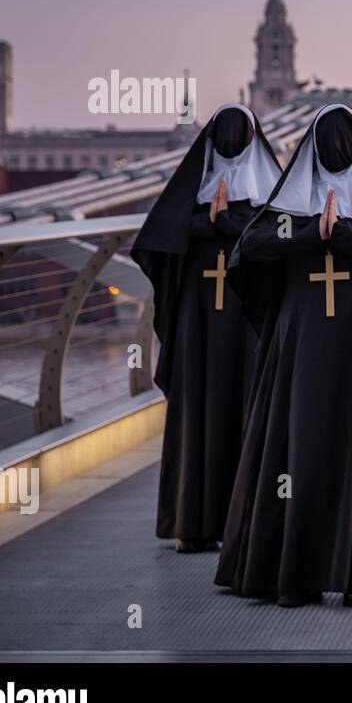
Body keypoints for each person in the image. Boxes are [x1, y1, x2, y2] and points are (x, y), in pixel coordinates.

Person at [214, 104, 352, 607]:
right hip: (315, 341)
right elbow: (252, 243)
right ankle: (307, 572)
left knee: (325, 447)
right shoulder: (298, 208)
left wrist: (339, 234)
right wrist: (315, 232)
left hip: (341, 341)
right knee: (316, 451)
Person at [132, 104, 280, 553]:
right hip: (213, 324)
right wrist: (220, 225)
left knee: (232, 411)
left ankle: (222, 522)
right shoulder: (265, 192)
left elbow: (282, 242)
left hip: (235, 323)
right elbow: (155, 244)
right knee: (217, 413)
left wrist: (210, 224)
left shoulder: (237, 195)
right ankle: (198, 522)